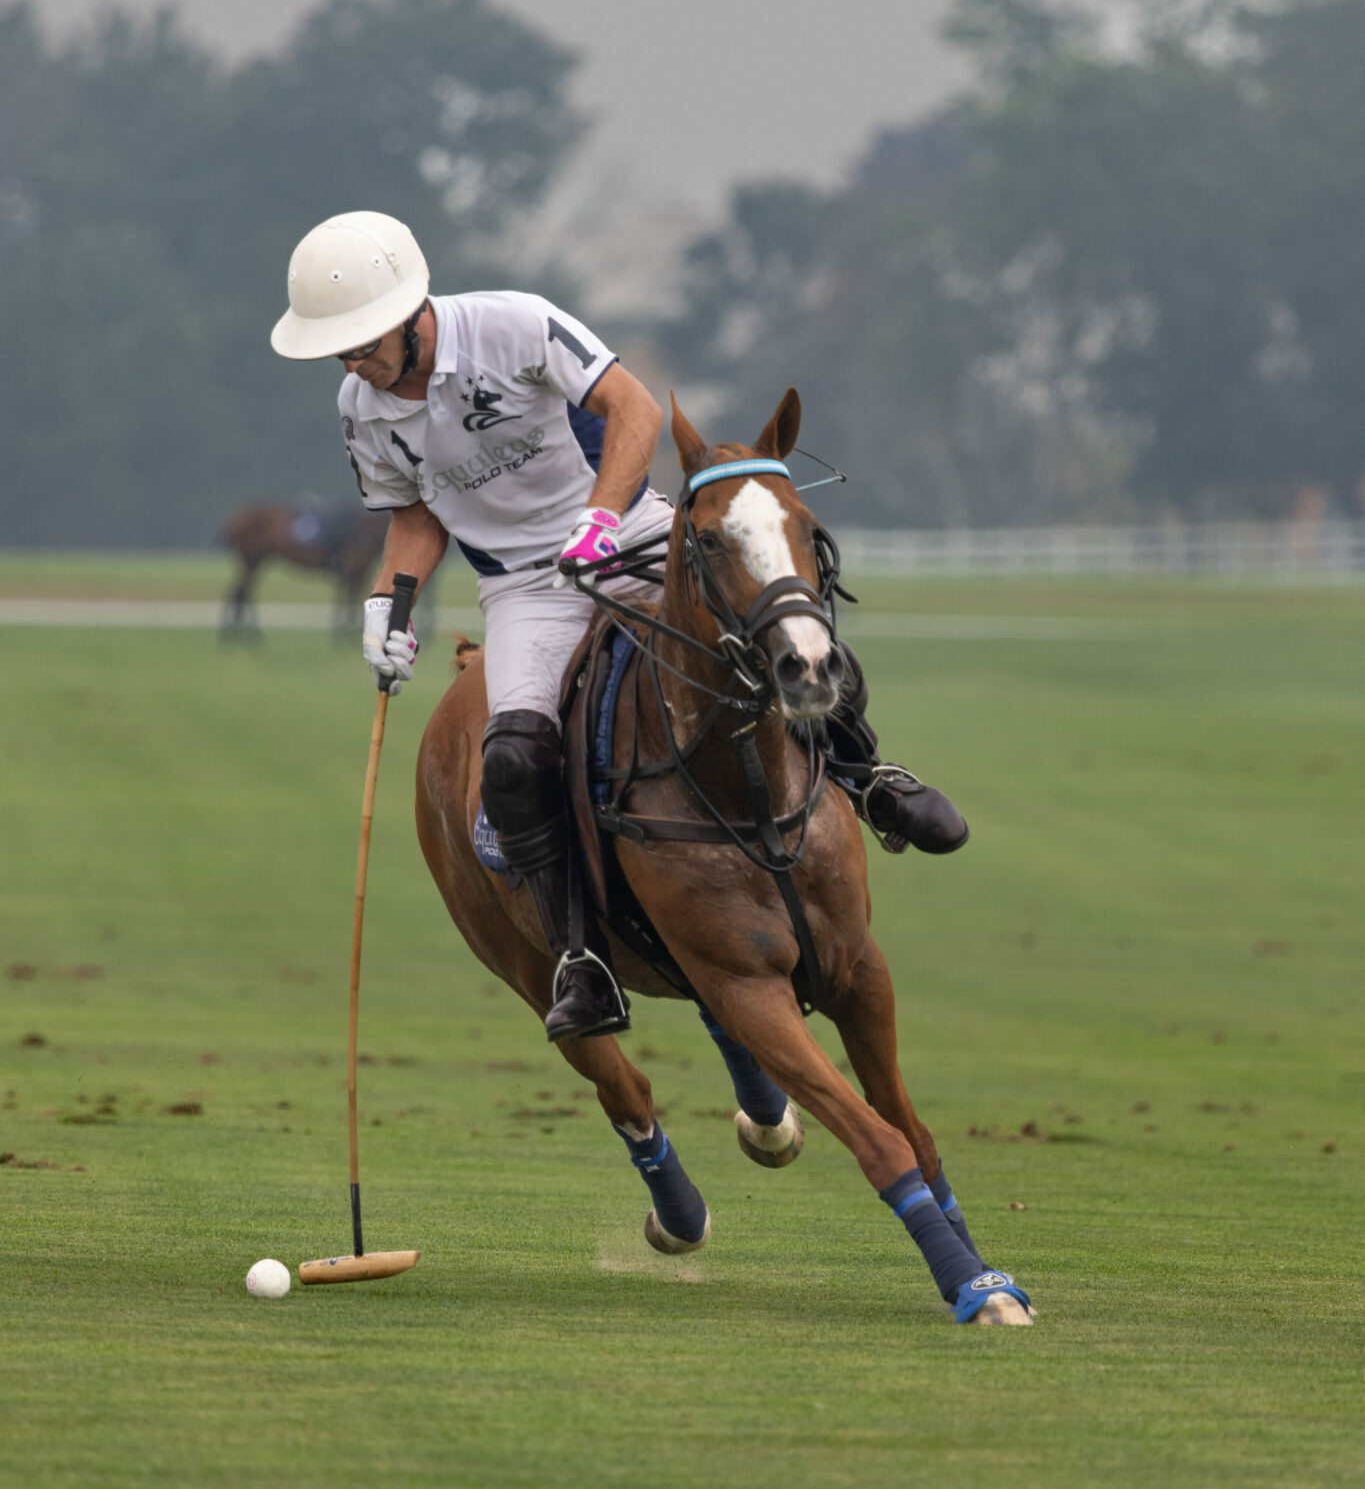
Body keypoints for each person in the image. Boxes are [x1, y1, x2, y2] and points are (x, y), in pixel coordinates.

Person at [271, 210, 968, 1043]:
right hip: (525, 589)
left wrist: (600, 516)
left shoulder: (514, 323)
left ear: (410, 313)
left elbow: (632, 409)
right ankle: (582, 960)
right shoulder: (361, 407)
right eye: (340, 352)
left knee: (784, 632)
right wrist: (390, 602)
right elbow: (414, 512)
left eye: (362, 343)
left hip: (629, 535)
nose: (354, 363)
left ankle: (869, 776)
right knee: (514, 759)